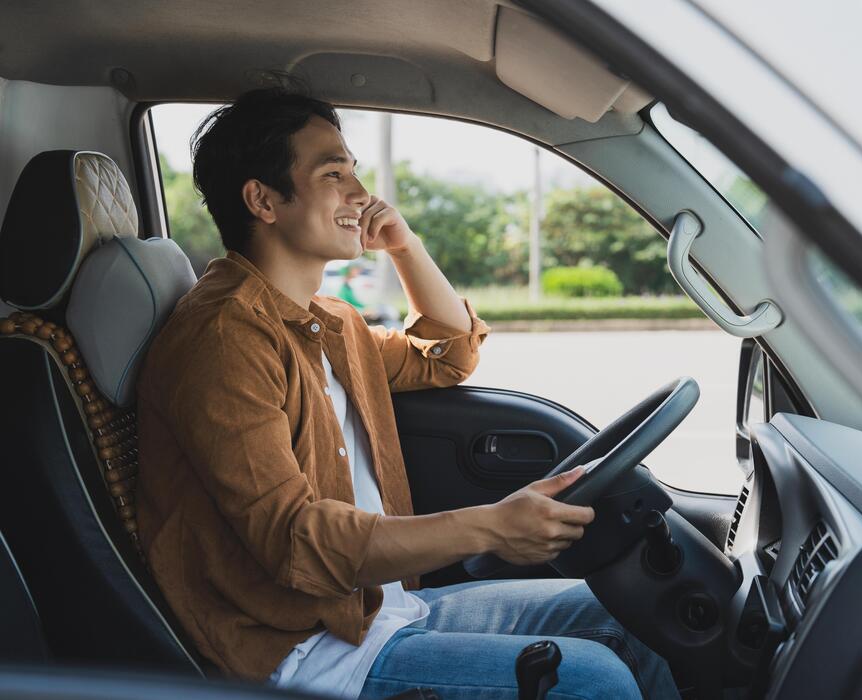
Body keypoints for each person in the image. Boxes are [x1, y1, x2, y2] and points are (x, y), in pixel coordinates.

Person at [135, 85, 678, 700]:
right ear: (263, 199)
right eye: (333, 173)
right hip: (310, 654)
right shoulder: (224, 338)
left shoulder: (327, 319)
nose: (362, 196)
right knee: (595, 679)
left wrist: (405, 245)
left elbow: (448, 354)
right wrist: (492, 527)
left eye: (355, 172)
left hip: (384, 611)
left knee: (631, 613)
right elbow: (297, 541)